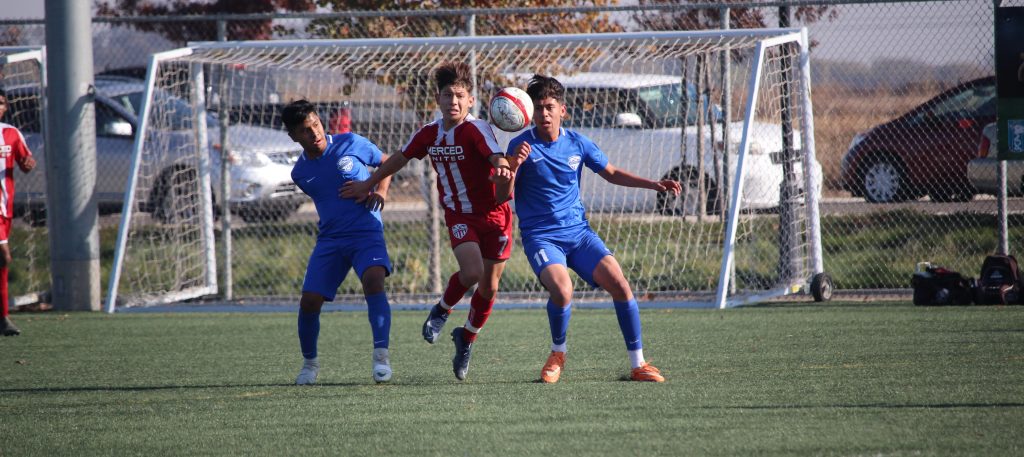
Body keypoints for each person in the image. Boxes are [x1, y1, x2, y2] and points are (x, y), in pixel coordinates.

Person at [342, 61, 514, 381]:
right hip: (460, 214)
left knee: (489, 289)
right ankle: (442, 309)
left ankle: (467, 339)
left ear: (471, 100)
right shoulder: (429, 134)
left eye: (460, 95)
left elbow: (493, 154)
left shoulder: (476, 129)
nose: (454, 102)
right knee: (473, 272)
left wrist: (502, 165)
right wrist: (369, 183)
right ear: (438, 99)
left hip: (496, 216)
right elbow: (399, 158)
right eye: (448, 95)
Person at [506, 75, 682, 383]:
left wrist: (653, 184)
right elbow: (501, 196)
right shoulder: (520, 146)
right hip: (542, 237)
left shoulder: (577, 143)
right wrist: (514, 166)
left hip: (579, 234)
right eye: (537, 109)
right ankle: (558, 352)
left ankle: (638, 364)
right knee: (562, 290)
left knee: (621, 285)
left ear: (563, 110)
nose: (543, 114)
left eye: (549, 107)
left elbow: (611, 173)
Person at [283, 99, 394, 384]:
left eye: (316, 125)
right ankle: (309, 365)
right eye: (306, 130)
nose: (315, 133)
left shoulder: (350, 143)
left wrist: (379, 190)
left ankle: (381, 358)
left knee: (374, 280)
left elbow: (387, 162)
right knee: (309, 301)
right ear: (294, 136)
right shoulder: (300, 174)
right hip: (330, 239)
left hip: (366, 232)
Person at [0, 88, 36, 337]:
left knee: (0, 266)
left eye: (0, 103)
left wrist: (28, 164)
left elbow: (25, 164)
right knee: (3, 257)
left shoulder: (11, 134)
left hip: (6, 210)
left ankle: (2, 317)